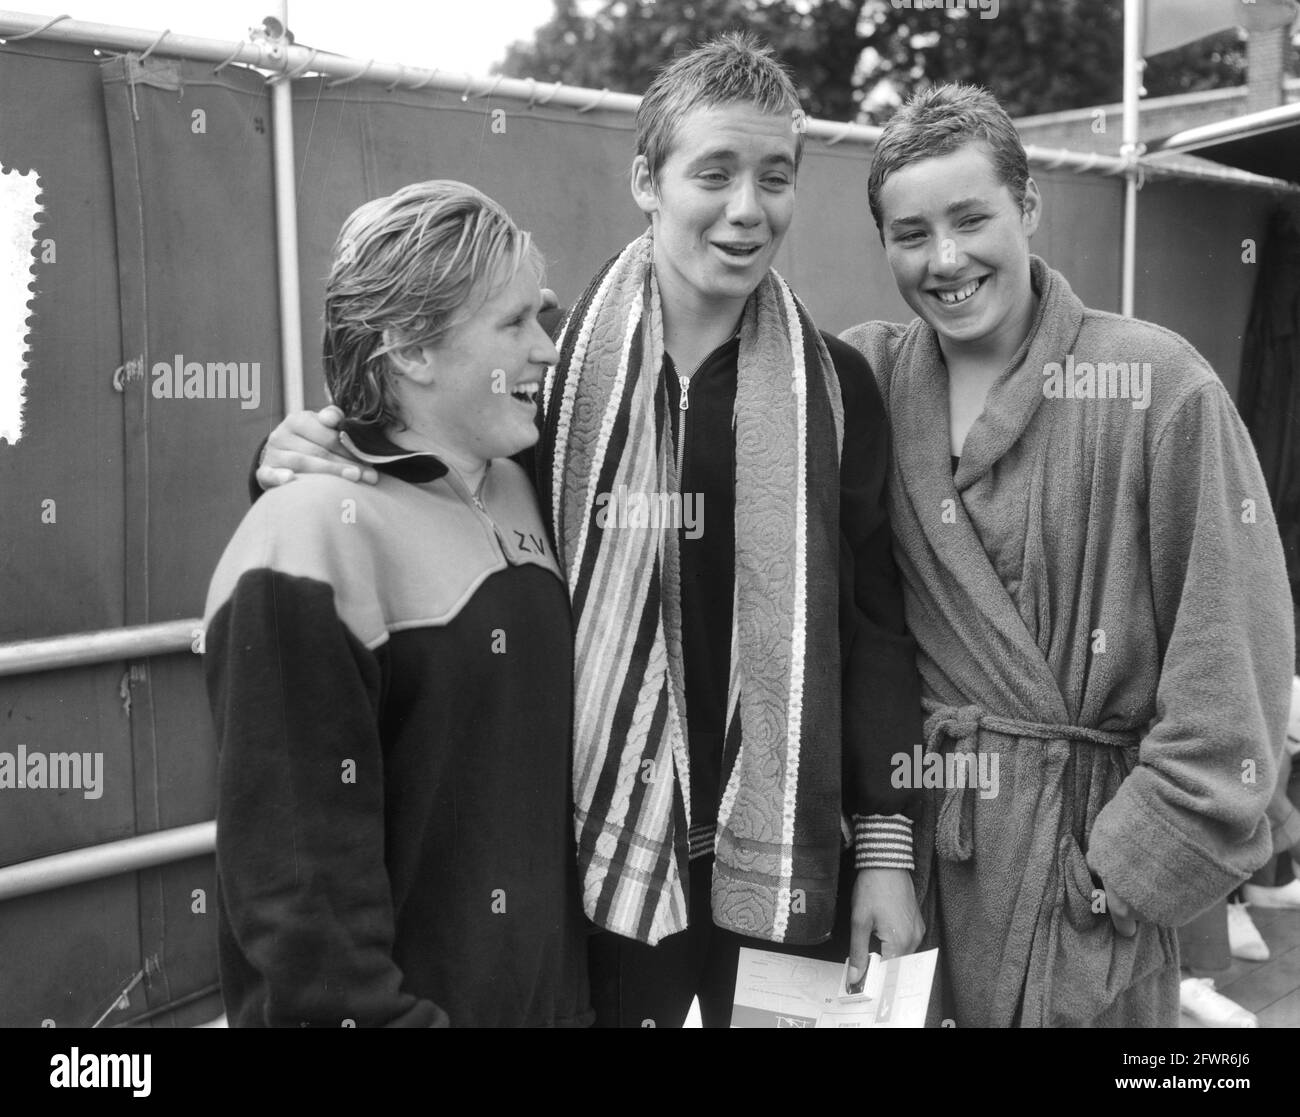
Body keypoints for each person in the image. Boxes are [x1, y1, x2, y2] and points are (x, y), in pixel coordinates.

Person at [253, 33, 926, 1028]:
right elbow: (415, 481)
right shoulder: (546, 386)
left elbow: (870, 630)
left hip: (786, 859)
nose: (748, 208)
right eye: (716, 172)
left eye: (775, 177)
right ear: (645, 179)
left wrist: (884, 855)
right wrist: (295, 454)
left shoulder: (837, 390)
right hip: (599, 865)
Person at [840, 84, 1294, 1027]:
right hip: (917, 870)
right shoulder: (870, 380)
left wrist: (1114, 880)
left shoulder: (1159, 388)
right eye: (911, 233)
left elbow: (1234, 682)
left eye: (972, 219)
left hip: (1086, 894)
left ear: (1030, 206)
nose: (946, 259)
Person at [203, 180, 592, 1027]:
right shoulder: (304, 536)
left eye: (545, 317)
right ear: (412, 349)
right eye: (515, 323)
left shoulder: (533, 488)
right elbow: (296, 886)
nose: (548, 350)